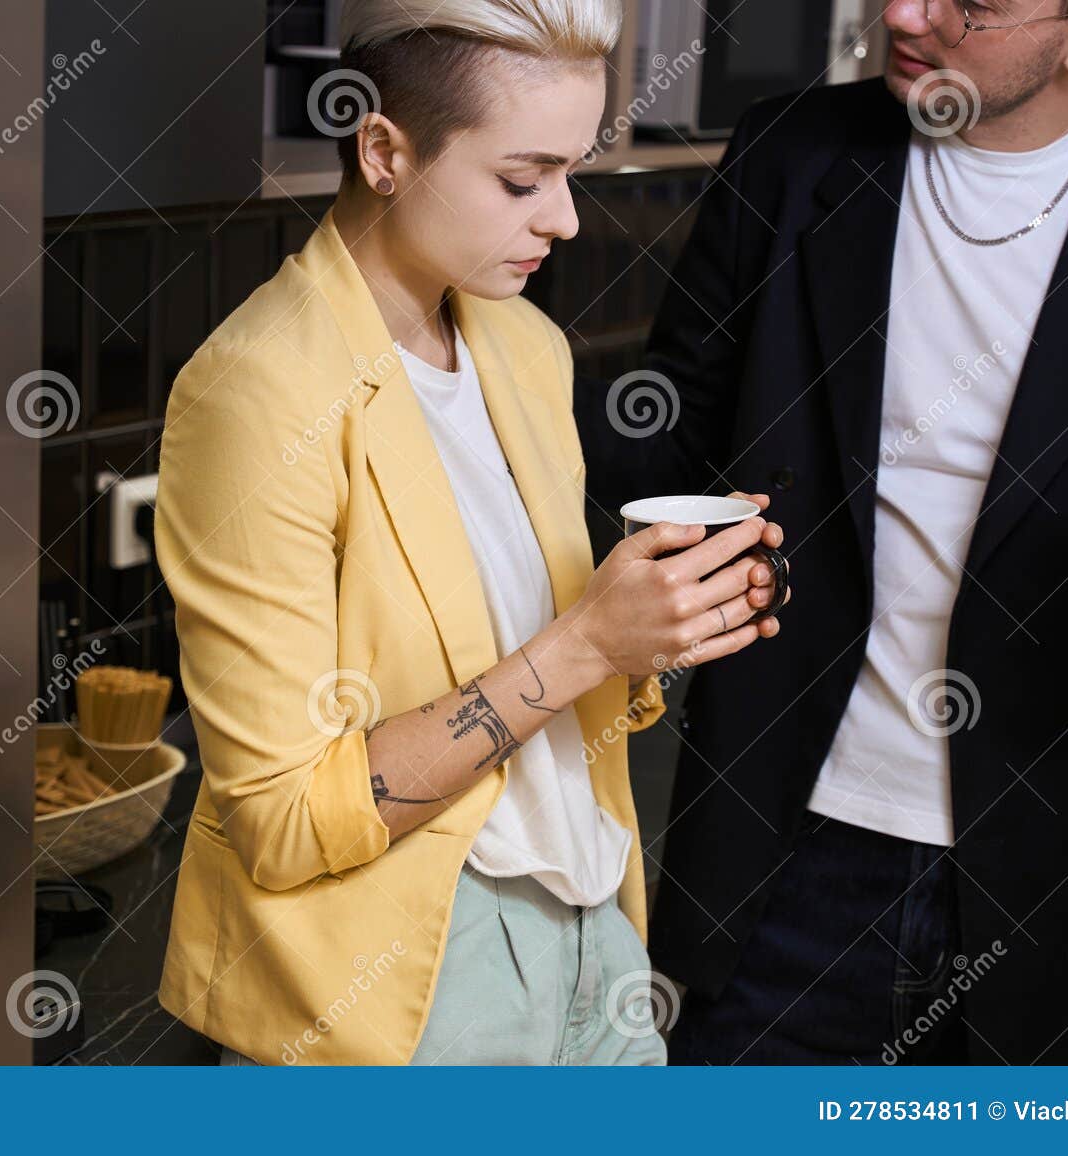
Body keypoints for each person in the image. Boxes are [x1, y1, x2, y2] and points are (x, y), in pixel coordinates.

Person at [575, 0, 1068, 1063]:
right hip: (786, 851)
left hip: (1062, 873)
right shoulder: (793, 152)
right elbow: (671, 427)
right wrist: (482, 367)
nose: (908, 14)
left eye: (976, 4)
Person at [151, 0, 783, 1066]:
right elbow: (285, 819)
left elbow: (545, 661)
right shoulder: (259, 391)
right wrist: (588, 640)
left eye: (571, 173)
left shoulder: (525, 347)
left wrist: (660, 622)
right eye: (521, 179)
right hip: (399, 985)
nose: (565, 220)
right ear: (386, 150)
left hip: (595, 927)